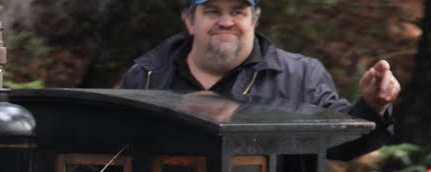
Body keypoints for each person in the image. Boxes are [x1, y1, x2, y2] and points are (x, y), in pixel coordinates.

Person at [120, 0, 400, 160]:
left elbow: (342, 145)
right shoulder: (147, 76)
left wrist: (371, 106)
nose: (226, 21)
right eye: (213, 11)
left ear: (253, 20)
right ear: (190, 21)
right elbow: (110, 154)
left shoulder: (300, 76)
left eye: (238, 11)